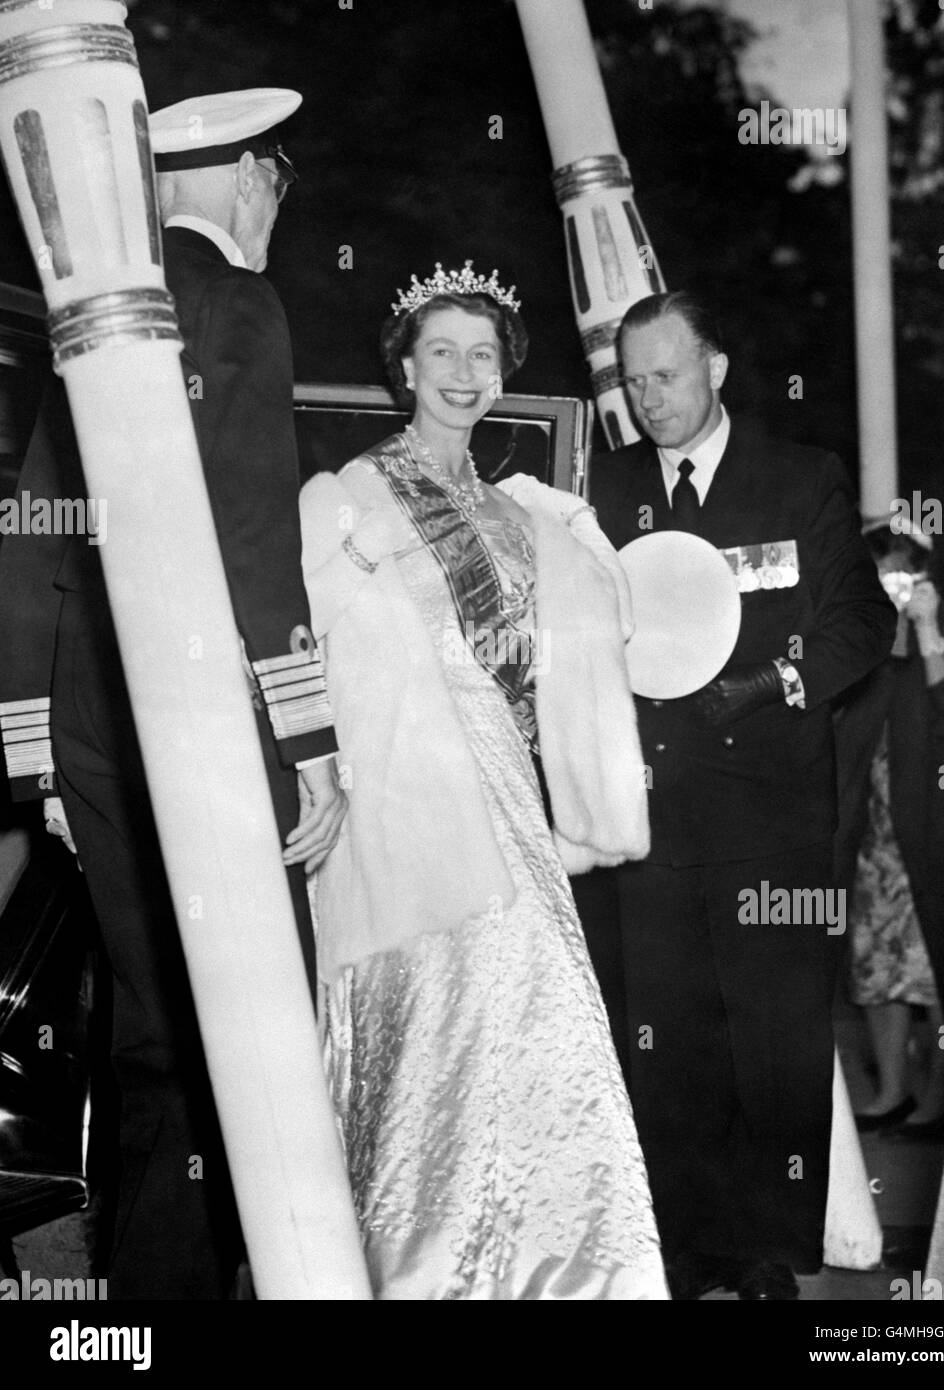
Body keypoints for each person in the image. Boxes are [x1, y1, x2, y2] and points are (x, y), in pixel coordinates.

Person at [0, 89, 343, 1298]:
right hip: (203, 726)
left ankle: (147, 1305)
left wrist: (40, 759)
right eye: (275, 190)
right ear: (246, 179)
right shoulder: (237, 302)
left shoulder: (87, 314)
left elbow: (33, 537)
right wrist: (308, 733)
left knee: (150, 1034)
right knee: (241, 1039)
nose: (274, 215)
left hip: (93, 729)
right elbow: (253, 538)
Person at [299, 262, 667, 1300]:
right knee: (445, 1030)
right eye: (442, 353)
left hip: (510, 789)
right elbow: (312, 661)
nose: (464, 374)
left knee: (538, 1017)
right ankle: (423, 1268)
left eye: (483, 355)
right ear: (404, 367)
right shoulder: (352, 499)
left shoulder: (517, 511)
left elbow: (589, 648)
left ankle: (555, 1266)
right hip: (411, 807)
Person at [584, 291, 896, 1300]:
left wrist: (780, 681)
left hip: (769, 818)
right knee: (666, 1043)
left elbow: (859, 624)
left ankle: (767, 1253)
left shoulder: (800, 478)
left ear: (713, 368)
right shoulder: (609, 486)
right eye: (632, 382)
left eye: (665, 375)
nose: (648, 398)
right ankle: (682, 1249)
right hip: (652, 820)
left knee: (773, 1044)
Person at [835, 521, 944, 1139]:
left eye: (900, 575)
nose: (889, 588)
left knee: (938, 978)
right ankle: (893, 1092)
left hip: (938, 838)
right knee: (876, 972)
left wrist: (928, 629)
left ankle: (943, 1099)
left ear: (924, 576)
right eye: (877, 577)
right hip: (874, 843)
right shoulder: (868, 638)